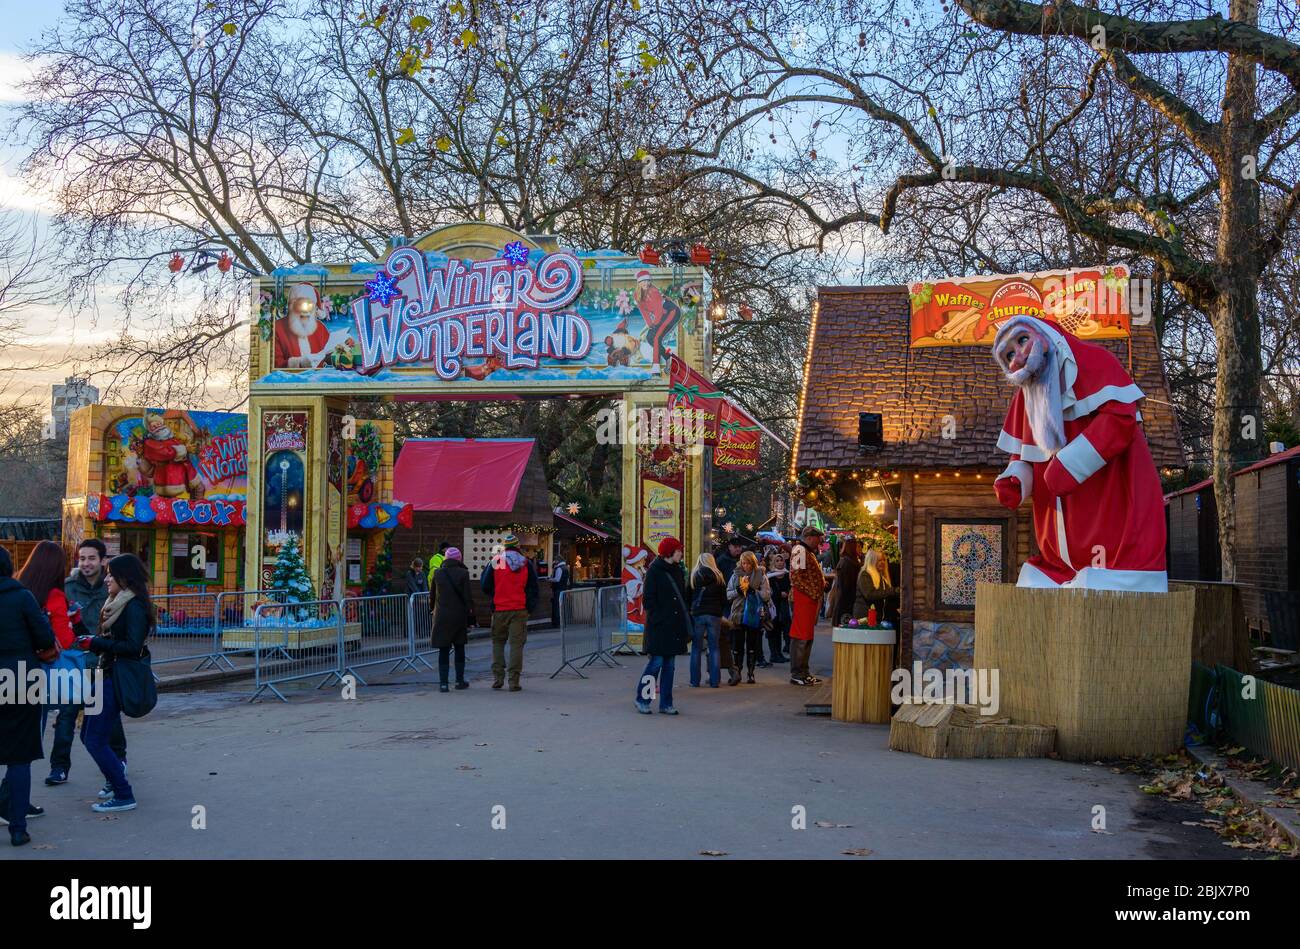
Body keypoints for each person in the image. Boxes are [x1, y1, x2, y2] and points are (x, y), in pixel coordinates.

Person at [74, 553, 153, 813]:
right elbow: (107, 642)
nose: (107, 578)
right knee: (88, 734)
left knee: (95, 738)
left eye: (111, 574)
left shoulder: (135, 606)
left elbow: (131, 645)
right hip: (105, 673)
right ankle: (114, 778)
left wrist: (95, 643)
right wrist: (82, 632)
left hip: (116, 677)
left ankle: (122, 792)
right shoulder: (116, 602)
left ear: (124, 577)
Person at [47, 539, 126, 789]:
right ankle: (59, 767)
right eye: (82, 558)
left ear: (103, 560)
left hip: (101, 663)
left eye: (91, 558)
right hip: (72, 663)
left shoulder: (112, 588)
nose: (86, 563)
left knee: (107, 717)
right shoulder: (67, 588)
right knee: (66, 716)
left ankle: (118, 760)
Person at [0, 545, 56, 846]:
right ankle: (18, 828)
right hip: (22, 681)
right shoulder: (23, 597)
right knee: (19, 758)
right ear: (10, 569)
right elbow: (45, 638)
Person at [635, 537, 690, 714]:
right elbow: (648, 600)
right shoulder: (655, 571)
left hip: (673, 627)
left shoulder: (678, 570)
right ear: (669, 552)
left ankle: (666, 703)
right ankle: (643, 699)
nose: (681, 553)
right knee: (655, 664)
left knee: (670, 666)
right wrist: (661, 617)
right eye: (678, 550)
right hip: (659, 627)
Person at [481, 533, 539, 691]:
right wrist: (529, 607)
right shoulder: (525, 563)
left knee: (498, 643)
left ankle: (498, 678)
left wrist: (496, 594)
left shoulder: (497, 561)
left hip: (500, 609)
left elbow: (485, 585)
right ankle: (514, 681)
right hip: (519, 609)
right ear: (518, 547)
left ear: (505, 547)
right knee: (516, 645)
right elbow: (534, 588)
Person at [430, 548, 474, 693]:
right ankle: (459, 681)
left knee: (443, 649)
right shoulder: (463, 573)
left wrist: (432, 609)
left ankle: (443, 684)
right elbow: (467, 597)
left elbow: (432, 596)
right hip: (458, 616)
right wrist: (471, 616)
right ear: (459, 559)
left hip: (441, 616)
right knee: (459, 647)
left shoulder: (437, 573)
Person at [788, 526, 826, 686]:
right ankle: (798, 673)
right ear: (810, 537)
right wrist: (813, 592)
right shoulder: (800, 550)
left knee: (806, 635)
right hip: (804, 599)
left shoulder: (805, 551)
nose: (820, 543)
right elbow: (796, 578)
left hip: (807, 599)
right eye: (818, 539)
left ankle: (803, 672)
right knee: (802, 635)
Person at [727, 551, 771, 685]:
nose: (745, 566)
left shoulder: (761, 576)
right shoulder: (735, 575)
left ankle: (751, 673)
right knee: (737, 645)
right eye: (743, 563)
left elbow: (766, 595)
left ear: (753, 563)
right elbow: (728, 594)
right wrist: (738, 591)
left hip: (754, 613)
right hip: (738, 613)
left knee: (752, 645)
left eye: (748, 563)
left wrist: (753, 591)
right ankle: (737, 672)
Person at [687, 553, 727, 688]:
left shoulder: (694, 576)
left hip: (698, 614)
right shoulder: (718, 576)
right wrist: (720, 611)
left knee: (696, 648)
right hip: (714, 614)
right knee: (714, 647)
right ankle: (715, 681)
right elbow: (724, 599)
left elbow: (688, 596)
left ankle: (694, 681)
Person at [854, 548, 895, 622]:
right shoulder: (865, 574)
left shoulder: (882, 576)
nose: (882, 562)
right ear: (872, 561)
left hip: (877, 618)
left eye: (883, 560)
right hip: (865, 618)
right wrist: (892, 591)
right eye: (879, 560)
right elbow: (870, 594)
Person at [829, 538, 862, 625]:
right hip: (846, 604)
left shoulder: (850, 561)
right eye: (858, 547)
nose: (860, 549)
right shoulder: (847, 563)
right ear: (852, 548)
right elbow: (846, 586)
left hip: (846, 603)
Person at [766, 551, 791, 664]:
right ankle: (773, 654)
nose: (780, 562)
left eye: (781, 560)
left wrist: (787, 593)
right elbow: (768, 591)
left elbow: (790, 588)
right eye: (777, 560)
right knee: (773, 630)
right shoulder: (769, 576)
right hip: (773, 606)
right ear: (773, 563)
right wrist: (778, 594)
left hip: (784, 606)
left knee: (781, 629)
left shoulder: (787, 575)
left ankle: (779, 654)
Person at [549, 553, 571, 628]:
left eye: (555, 560)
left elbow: (557, 579)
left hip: (558, 590)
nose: (554, 562)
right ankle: (563, 622)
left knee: (557, 606)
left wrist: (549, 579)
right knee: (561, 606)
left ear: (558, 561)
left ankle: (557, 623)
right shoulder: (566, 568)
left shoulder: (559, 568)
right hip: (564, 589)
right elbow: (567, 581)